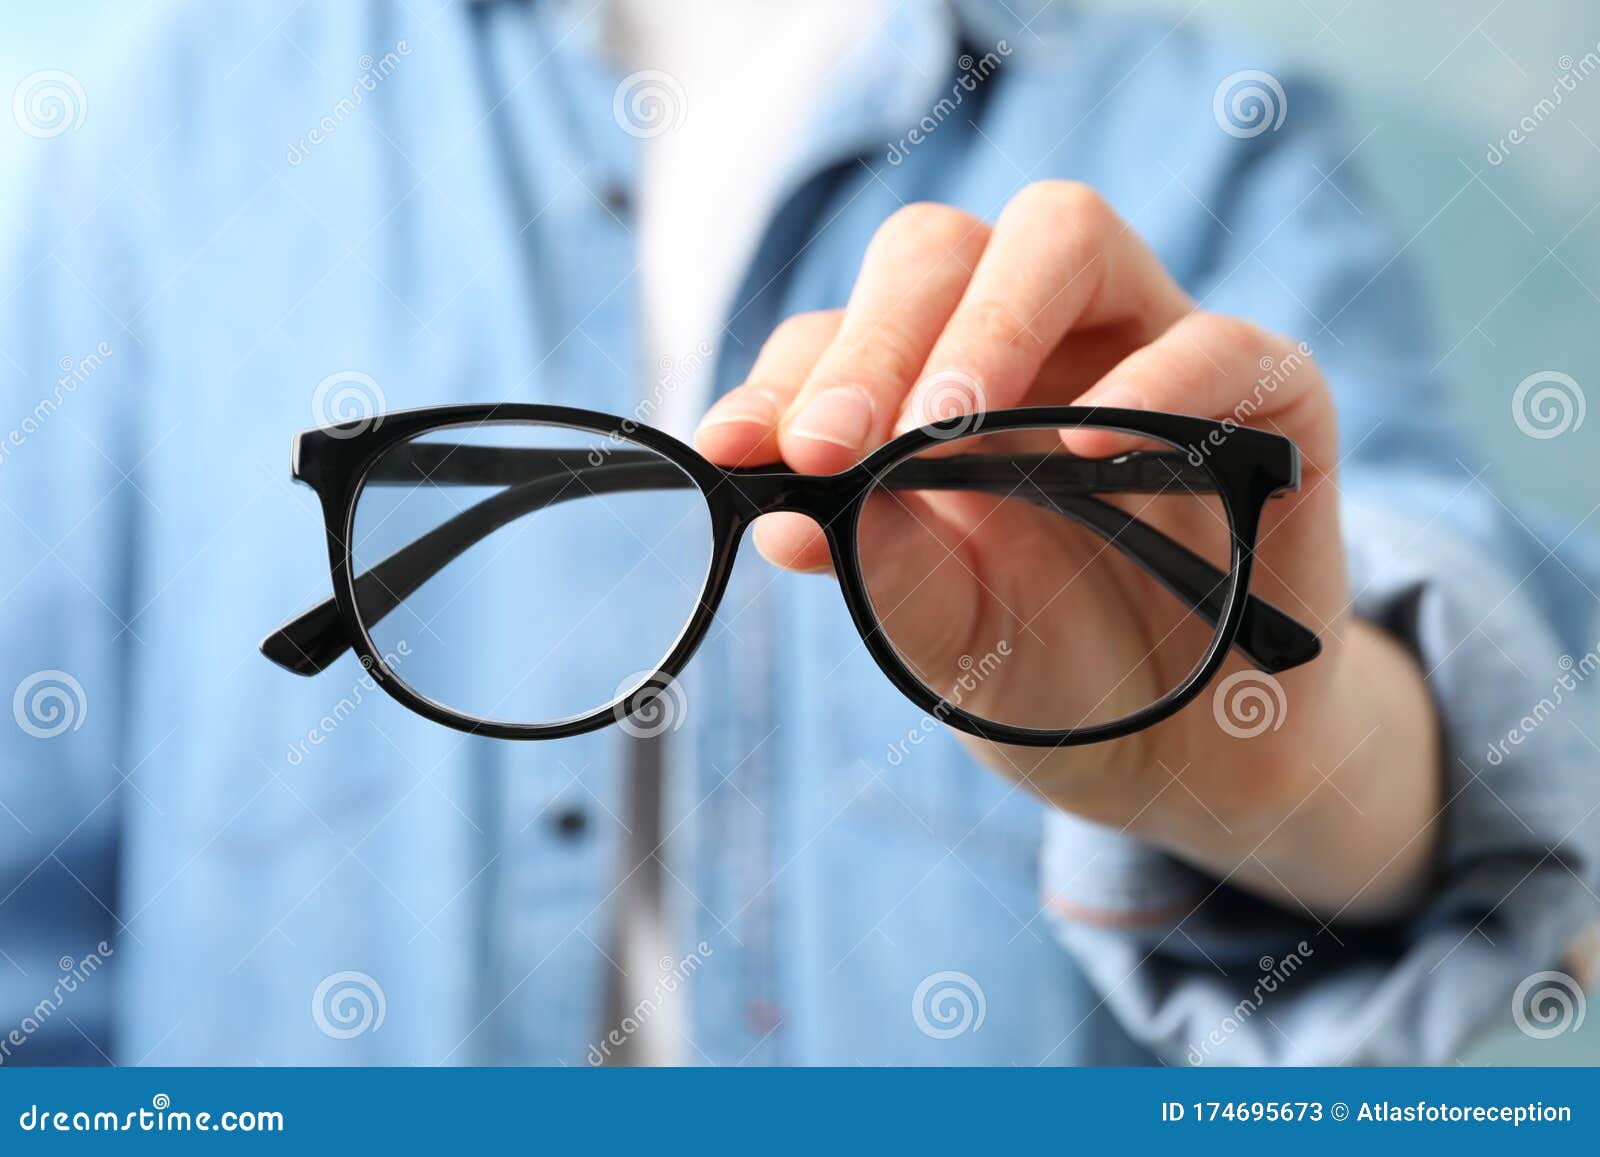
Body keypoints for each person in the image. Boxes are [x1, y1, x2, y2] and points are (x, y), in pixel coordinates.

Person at [0, 0, 1594, 1066]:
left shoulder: (1212, 132)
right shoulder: (183, 121)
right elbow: (34, 931)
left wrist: (1280, 765)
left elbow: (1469, 675)